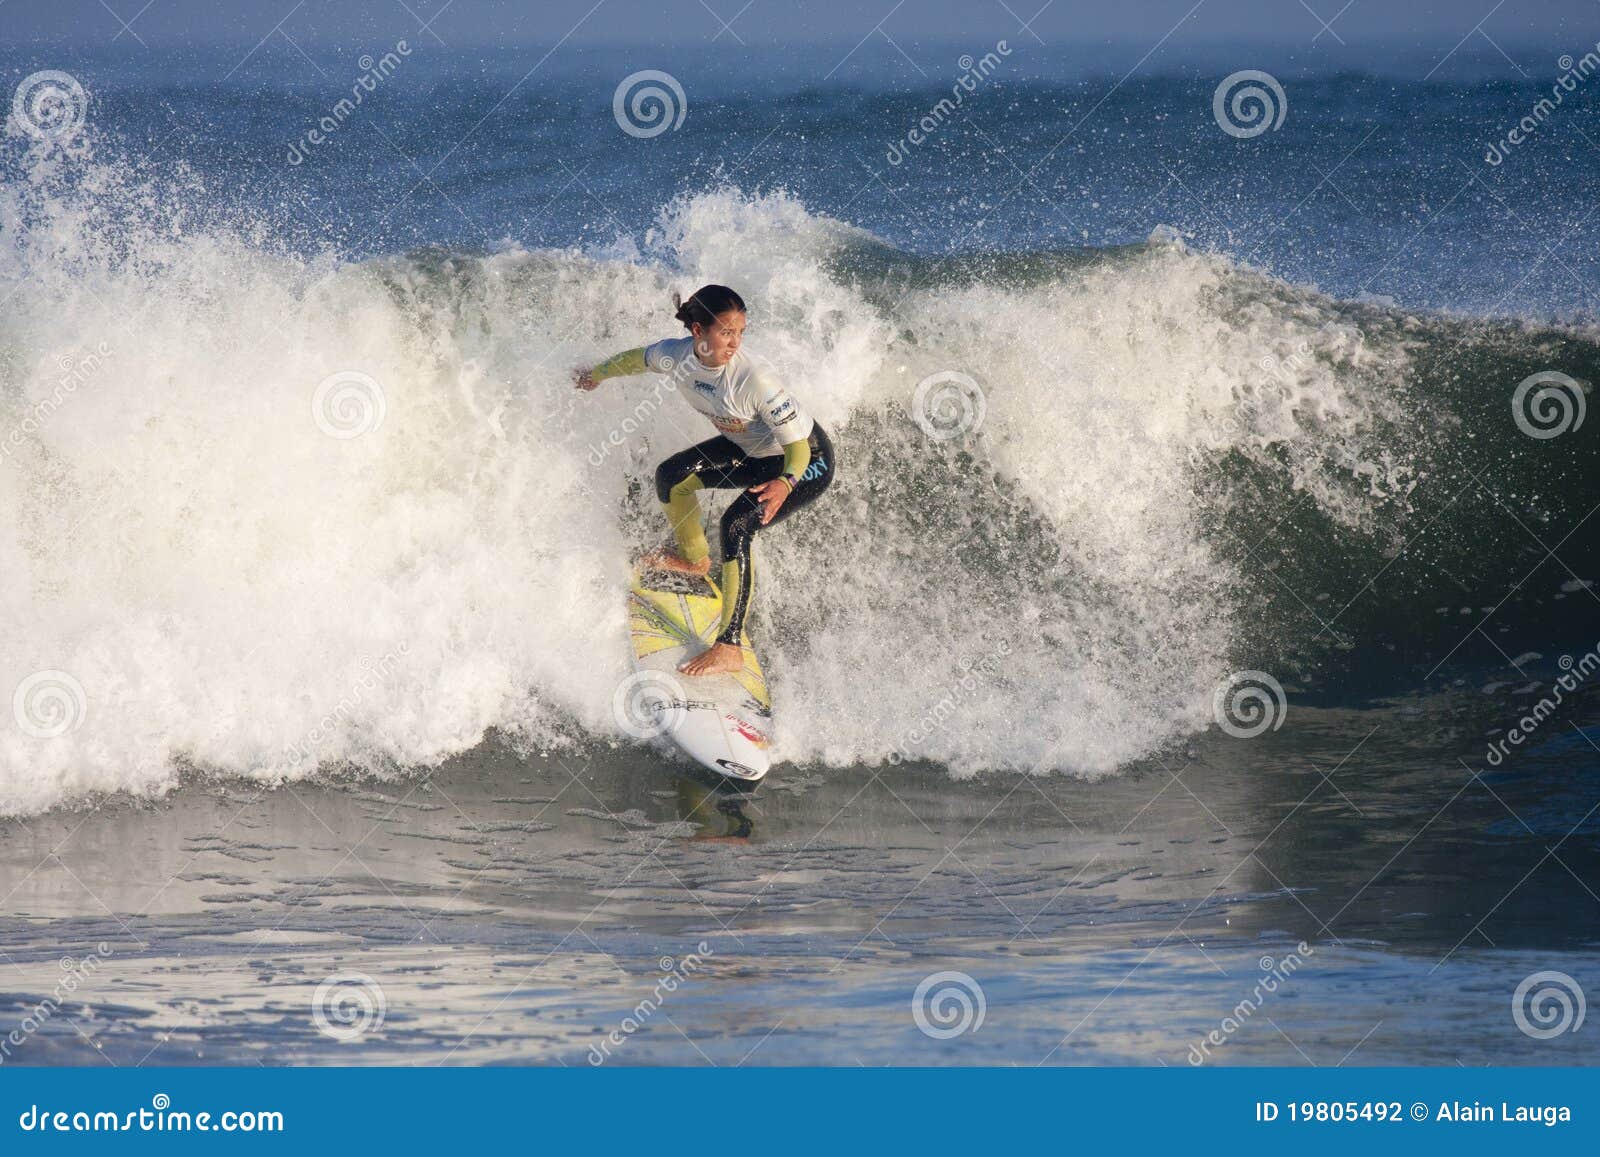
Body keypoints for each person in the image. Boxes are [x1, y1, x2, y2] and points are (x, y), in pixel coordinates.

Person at [575, 284, 834, 677]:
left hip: (804, 462)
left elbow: (799, 449)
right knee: (671, 477)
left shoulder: (754, 379)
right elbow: (634, 361)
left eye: (741, 332)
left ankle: (729, 646)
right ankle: (695, 560)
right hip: (750, 452)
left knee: (736, 526)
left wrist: (786, 482)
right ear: (698, 332)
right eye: (726, 332)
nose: (735, 342)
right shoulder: (675, 357)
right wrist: (595, 375)